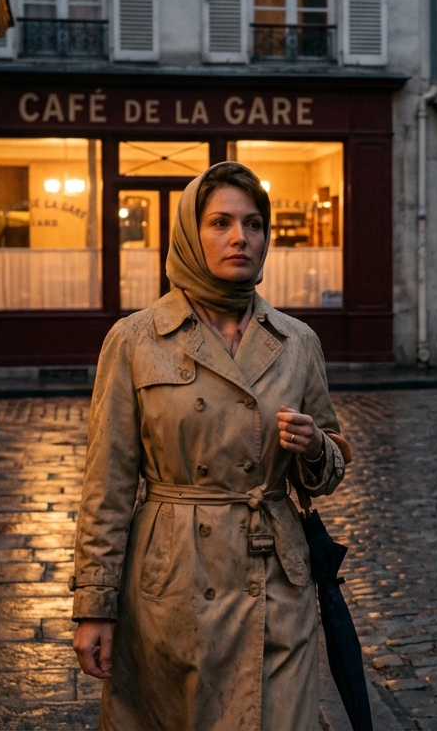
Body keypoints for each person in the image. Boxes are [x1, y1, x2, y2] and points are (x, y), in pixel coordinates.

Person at [71, 161, 347, 730]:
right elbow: (108, 484)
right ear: (189, 234)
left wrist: (315, 446)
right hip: (172, 583)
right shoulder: (136, 339)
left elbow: (328, 470)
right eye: (220, 222)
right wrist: (94, 606)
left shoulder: (296, 342)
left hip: (274, 582)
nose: (239, 237)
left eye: (253, 224)